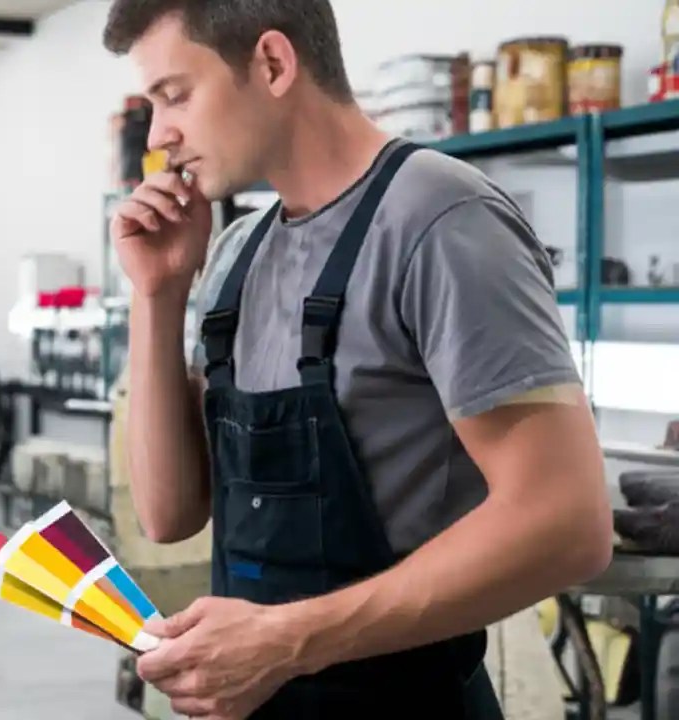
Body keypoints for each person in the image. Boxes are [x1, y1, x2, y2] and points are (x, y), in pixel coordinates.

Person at [101, 1, 615, 718]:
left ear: (273, 64)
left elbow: (567, 522)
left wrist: (284, 640)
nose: (159, 137)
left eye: (175, 95)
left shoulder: (441, 219)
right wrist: (156, 295)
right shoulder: (238, 255)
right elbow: (168, 513)